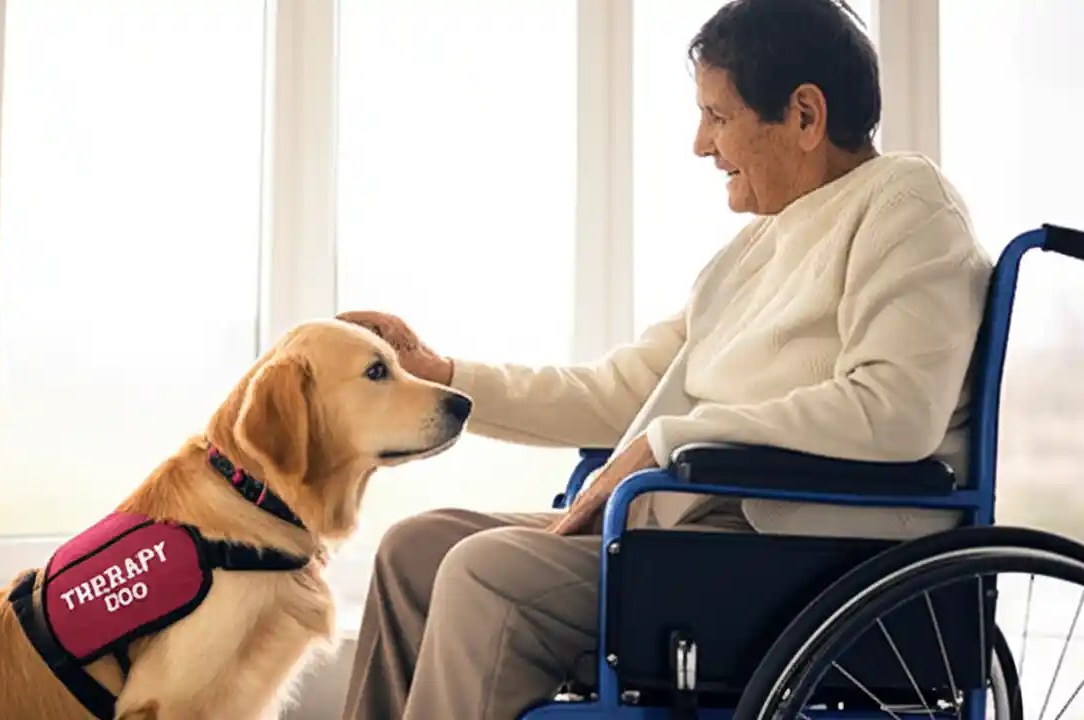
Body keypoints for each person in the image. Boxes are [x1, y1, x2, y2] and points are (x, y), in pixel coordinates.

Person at [337, 1, 993, 718]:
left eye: (718, 115)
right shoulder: (748, 254)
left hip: (802, 555)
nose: (700, 145)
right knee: (413, 550)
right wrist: (445, 374)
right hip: (683, 536)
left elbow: (895, 413)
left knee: (482, 574)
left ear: (805, 115)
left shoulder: (907, 205)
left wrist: (668, 441)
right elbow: (617, 391)